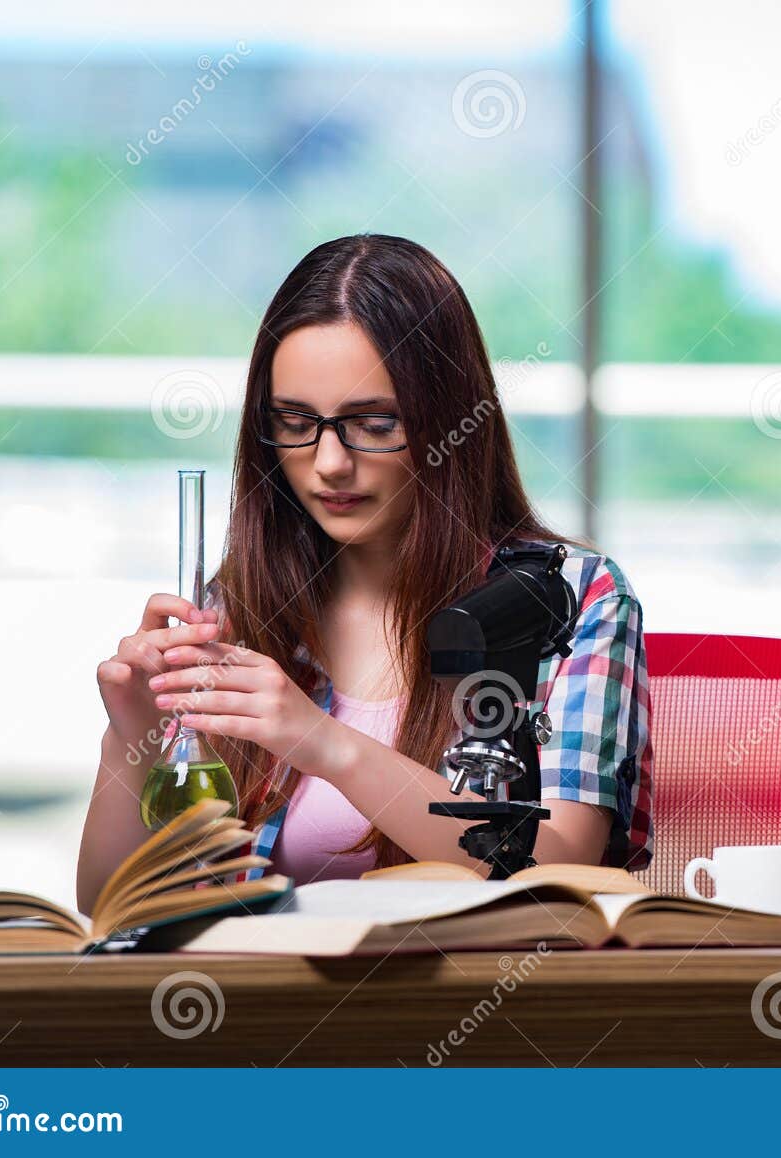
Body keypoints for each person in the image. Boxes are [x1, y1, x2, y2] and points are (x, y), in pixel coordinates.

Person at [77, 235, 652, 913]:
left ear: (450, 419)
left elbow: (556, 865)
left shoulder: (571, 597)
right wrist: (132, 737)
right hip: (271, 1008)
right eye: (295, 421)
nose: (328, 465)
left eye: (372, 424)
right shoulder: (244, 606)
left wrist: (325, 743)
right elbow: (107, 899)